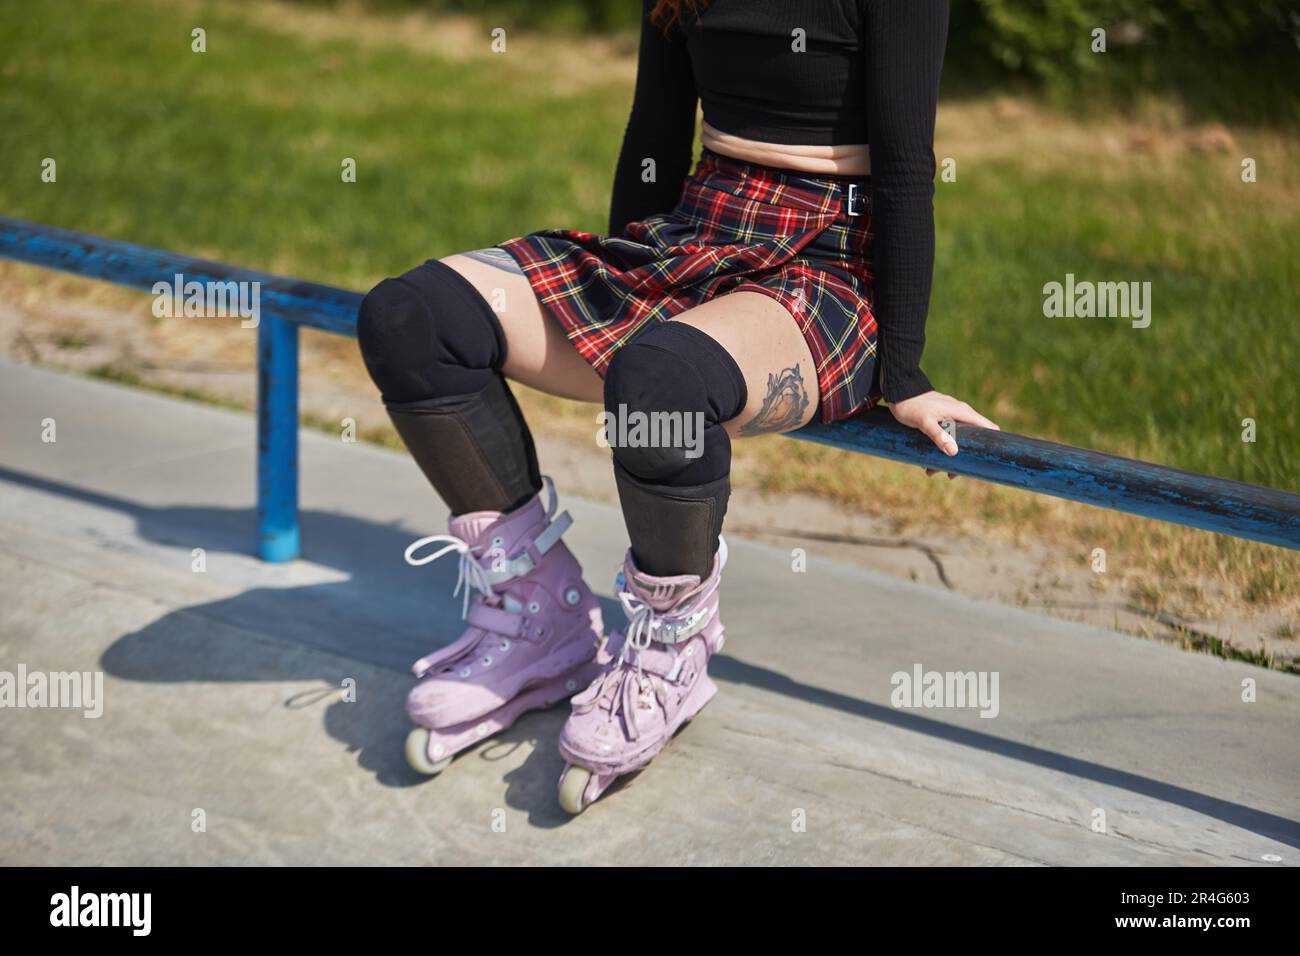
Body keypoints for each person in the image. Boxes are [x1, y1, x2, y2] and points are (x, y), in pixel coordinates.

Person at [357, 0, 997, 813]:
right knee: (413, 318)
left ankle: (671, 648)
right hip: (695, 228)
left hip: (829, 264)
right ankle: (534, 613)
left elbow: (908, 165)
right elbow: (655, 131)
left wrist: (901, 374)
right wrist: (626, 286)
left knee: (659, 382)